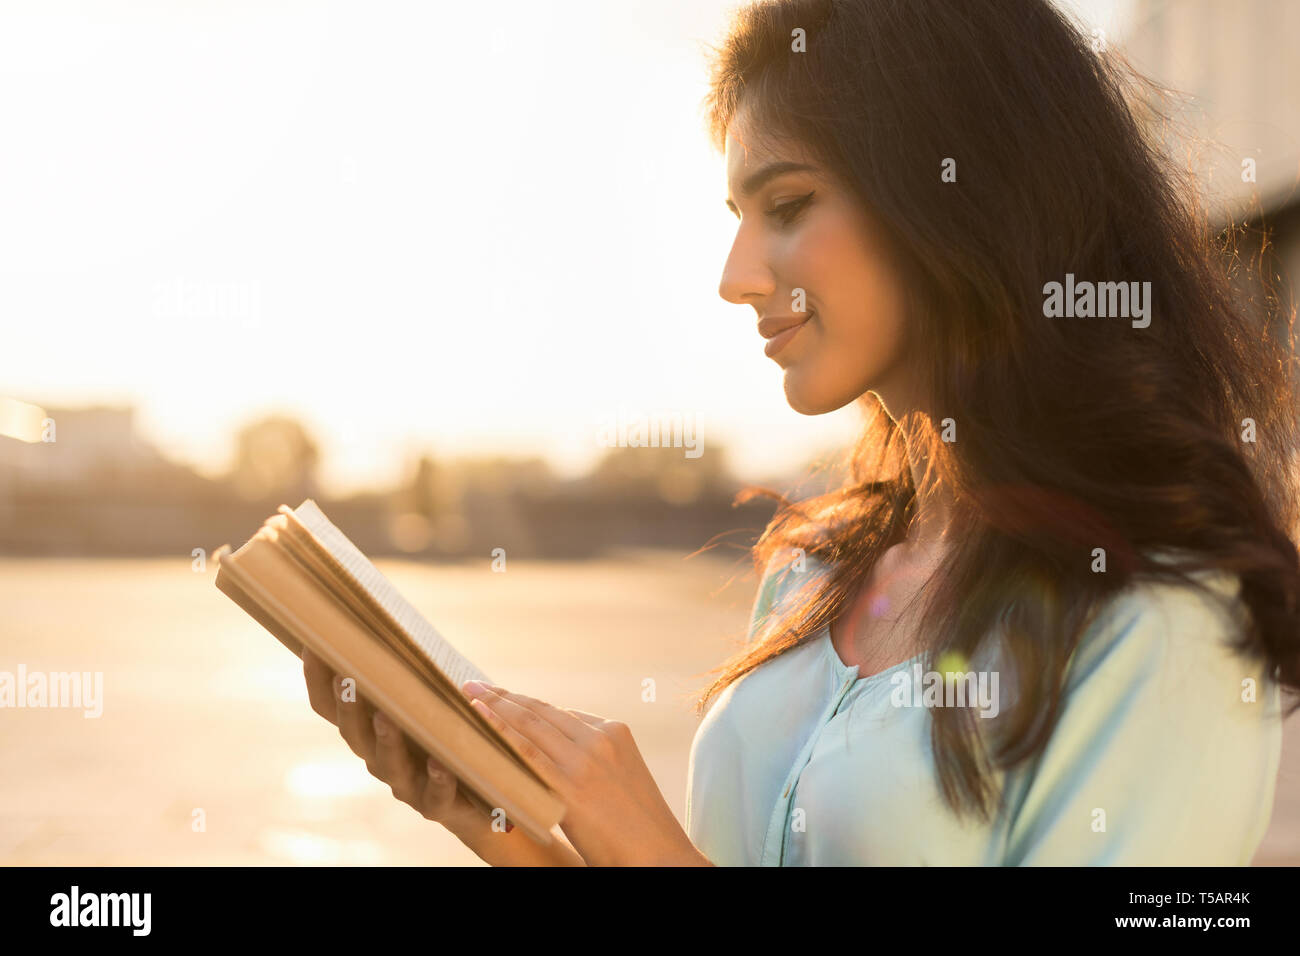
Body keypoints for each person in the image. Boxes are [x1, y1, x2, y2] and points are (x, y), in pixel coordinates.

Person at [301, 0, 1300, 865]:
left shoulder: (1161, 623)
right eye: (738, 214)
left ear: (960, 195)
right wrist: (500, 820)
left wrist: (648, 847)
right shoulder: (812, 574)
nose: (736, 275)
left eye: (785, 204)